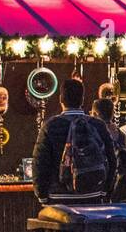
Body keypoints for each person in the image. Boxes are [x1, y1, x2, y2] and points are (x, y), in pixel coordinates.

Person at [33, 77, 117, 205]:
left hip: (59, 198)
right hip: (92, 196)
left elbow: (40, 163)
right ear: (82, 99)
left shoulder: (50, 126)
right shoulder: (98, 125)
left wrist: (42, 196)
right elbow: (112, 160)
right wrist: (105, 191)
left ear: (61, 99)